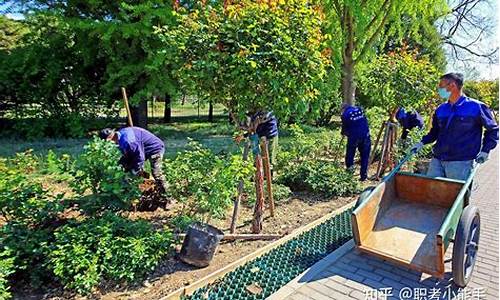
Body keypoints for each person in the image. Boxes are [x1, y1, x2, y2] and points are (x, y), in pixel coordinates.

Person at [411, 73, 498, 180]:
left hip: (461, 162)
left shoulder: (476, 107)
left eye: (441, 85)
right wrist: (421, 142)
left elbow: (492, 130)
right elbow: (435, 132)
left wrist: (485, 150)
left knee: (456, 195)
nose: (439, 89)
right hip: (437, 160)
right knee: (432, 193)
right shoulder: (441, 109)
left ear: (452, 85)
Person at [99, 127, 169, 194]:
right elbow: (128, 155)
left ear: (109, 139)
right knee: (125, 166)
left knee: (156, 173)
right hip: (141, 149)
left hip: (154, 148)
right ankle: (142, 184)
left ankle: (167, 194)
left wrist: (134, 171)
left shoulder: (129, 141)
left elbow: (139, 158)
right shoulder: (120, 137)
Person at [341, 103, 371, 181]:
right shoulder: (359, 109)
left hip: (354, 137)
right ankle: (363, 176)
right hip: (366, 135)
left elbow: (344, 129)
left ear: (343, 109)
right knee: (365, 156)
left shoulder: (345, 114)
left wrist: (344, 133)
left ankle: (349, 175)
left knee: (350, 154)